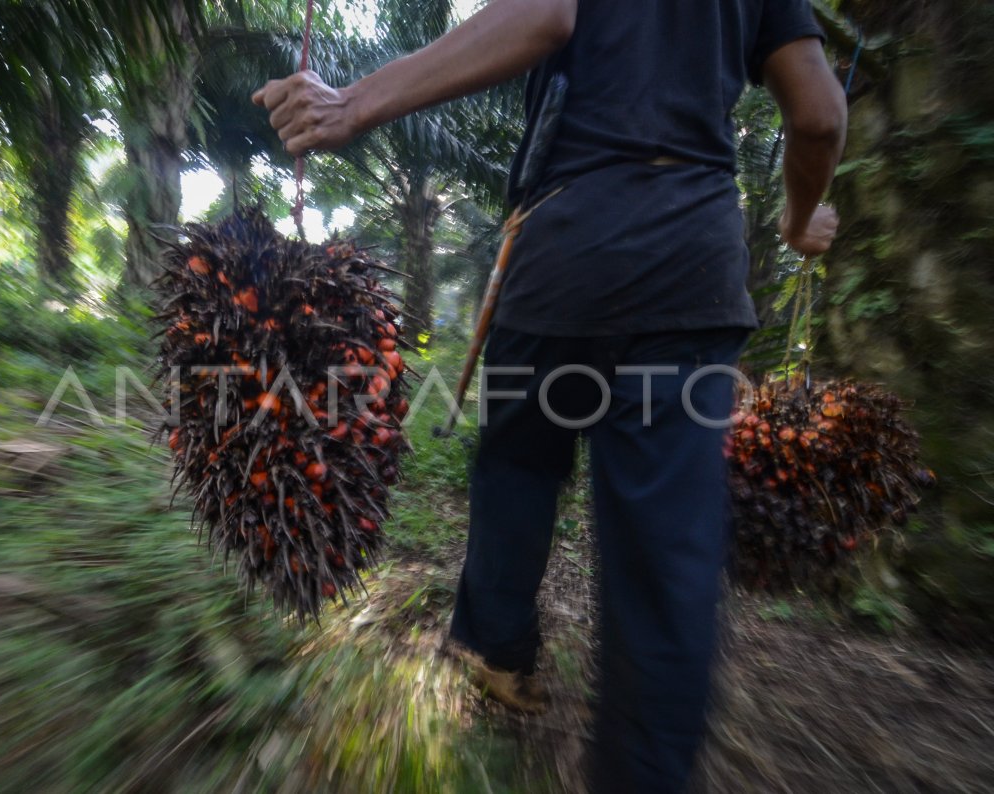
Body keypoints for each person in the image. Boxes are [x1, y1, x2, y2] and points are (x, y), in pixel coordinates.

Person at [254, 1, 847, 790]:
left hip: (559, 255)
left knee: (517, 465)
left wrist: (355, 102)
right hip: (687, 269)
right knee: (665, 558)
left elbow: (545, 13)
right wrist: (800, 218)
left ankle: (497, 648)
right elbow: (816, 115)